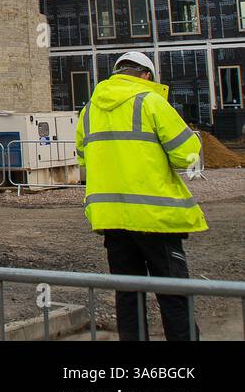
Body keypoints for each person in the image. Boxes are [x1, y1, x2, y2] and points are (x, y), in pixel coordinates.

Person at [76, 51, 207, 341]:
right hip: (154, 217)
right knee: (174, 294)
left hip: (111, 218)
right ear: (146, 75)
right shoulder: (151, 102)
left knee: (128, 295)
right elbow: (187, 155)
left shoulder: (89, 110)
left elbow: (84, 158)